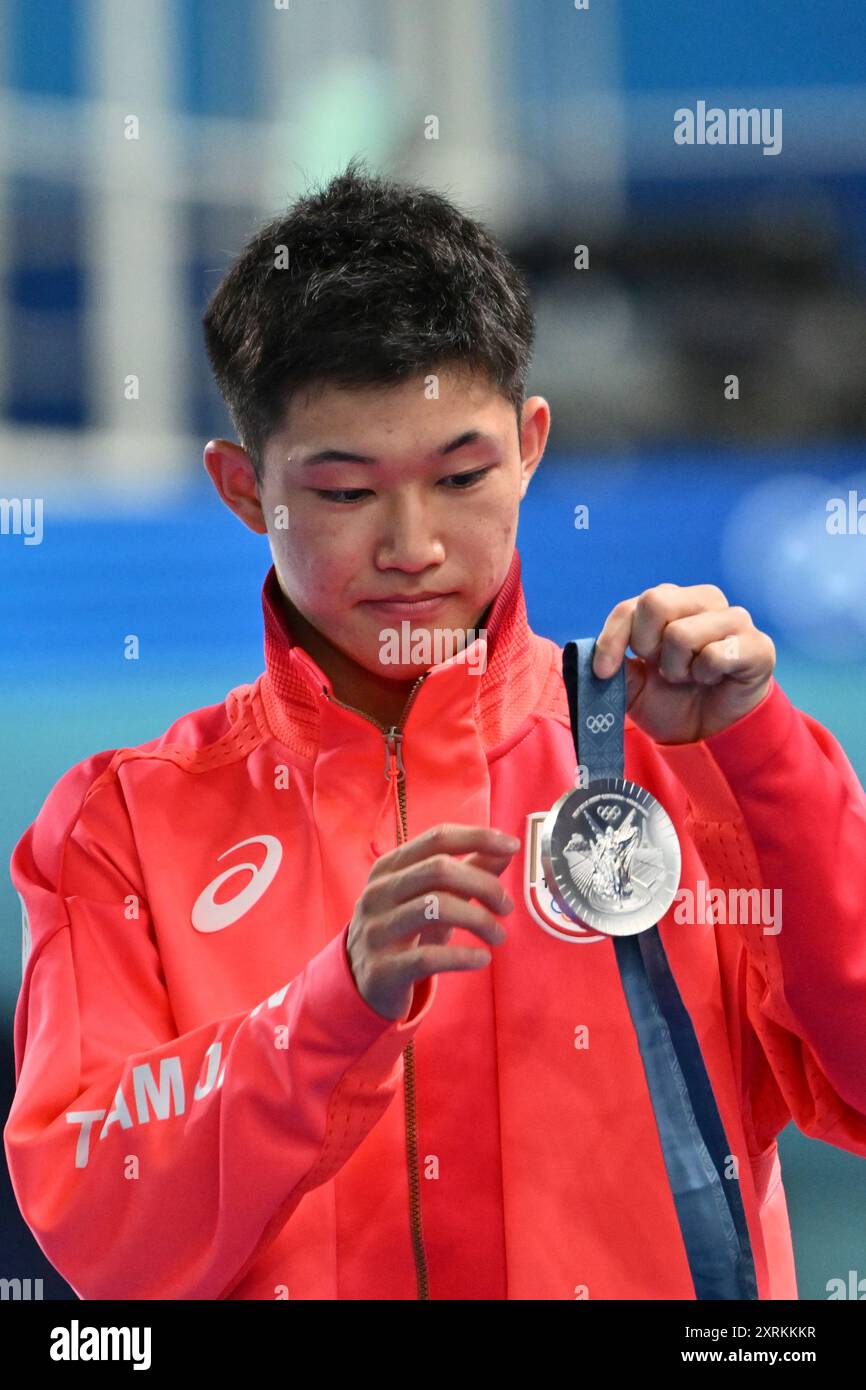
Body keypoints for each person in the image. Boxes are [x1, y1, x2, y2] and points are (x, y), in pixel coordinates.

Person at [5, 158, 866, 1301]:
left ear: (530, 446)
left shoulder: (692, 754)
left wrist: (761, 758)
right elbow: (95, 1226)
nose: (410, 543)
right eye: (345, 493)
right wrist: (327, 1011)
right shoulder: (121, 824)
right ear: (238, 488)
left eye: (460, 476)